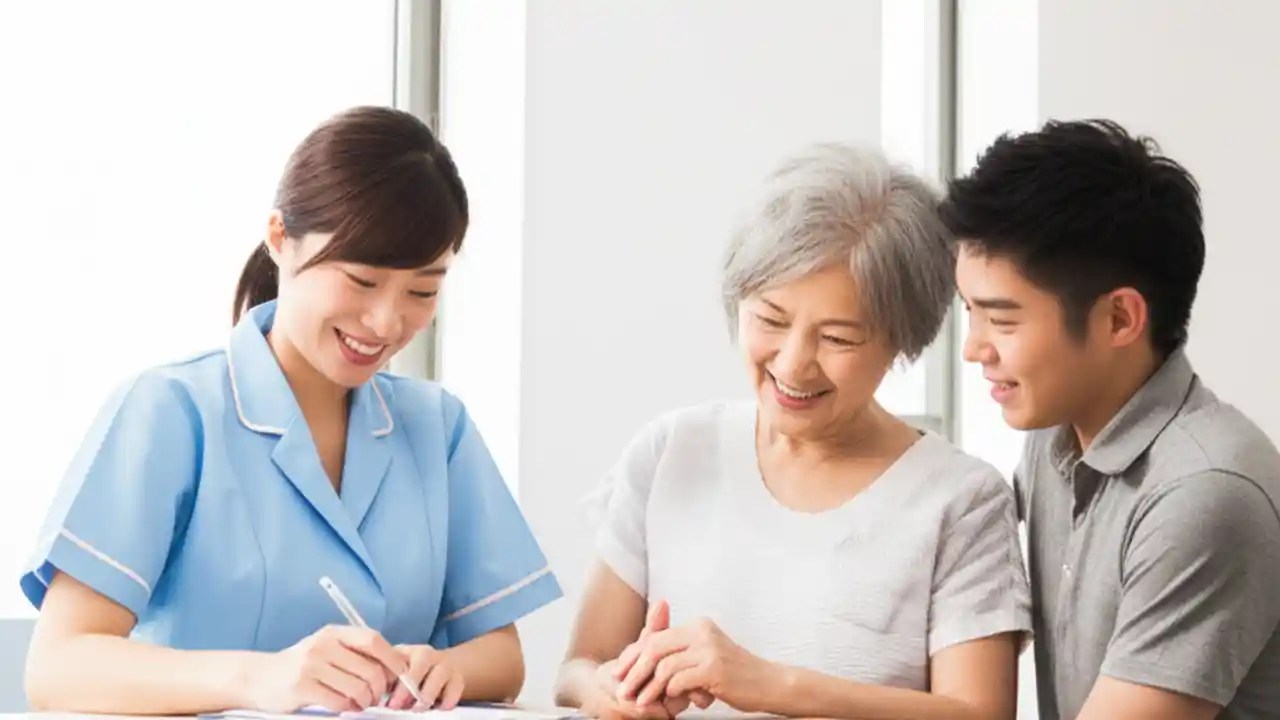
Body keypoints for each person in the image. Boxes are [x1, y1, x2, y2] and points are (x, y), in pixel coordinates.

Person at [20, 106, 561, 716]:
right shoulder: (171, 411)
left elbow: (502, 658)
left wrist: (441, 667)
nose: (387, 322)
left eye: (422, 291)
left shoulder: (439, 427)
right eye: (361, 281)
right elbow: (59, 665)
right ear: (281, 239)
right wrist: (262, 679)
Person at [555, 145, 1032, 720]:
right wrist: (607, 691)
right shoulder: (671, 452)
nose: (793, 363)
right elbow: (577, 668)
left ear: (903, 341)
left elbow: (981, 716)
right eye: (771, 320)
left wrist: (769, 685)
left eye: (838, 339)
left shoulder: (961, 500)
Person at [944, 119, 1280, 720]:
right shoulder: (1056, 435)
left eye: (1002, 320)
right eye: (969, 311)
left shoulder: (1204, 494)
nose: (973, 347)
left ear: (1121, 319)